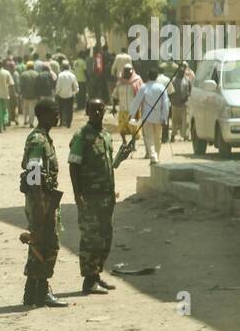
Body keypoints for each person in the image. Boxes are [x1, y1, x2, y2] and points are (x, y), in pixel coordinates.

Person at [69, 99, 134, 295]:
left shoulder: (105, 136)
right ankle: (88, 281)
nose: (97, 112)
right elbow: (73, 165)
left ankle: (96, 275)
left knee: (105, 237)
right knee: (91, 238)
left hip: (106, 196)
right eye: (93, 109)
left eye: (100, 109)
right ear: (87, 111)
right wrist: (77, 194)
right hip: (90, 196)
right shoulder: (82, 136)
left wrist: (121, 157)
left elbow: (109, 166)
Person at [20, 97, 66, 308]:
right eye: (53, 112)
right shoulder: (38, 140)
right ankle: (42, 290)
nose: (57, 115)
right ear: (42, 115)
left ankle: (32, 293)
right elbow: (34, 172)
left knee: (39, 243)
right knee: (48, 244)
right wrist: (41, 205)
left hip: (42, 198)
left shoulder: (43, 137)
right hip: (41, 199)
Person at [130, 74, 170, 163]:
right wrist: (165, 117)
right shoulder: (161, 87)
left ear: (148, 77)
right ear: (156, 77)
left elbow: (137, 101)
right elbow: (166, 103)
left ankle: (153, 156)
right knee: (157, 138)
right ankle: (156, 156)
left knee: (149, 138)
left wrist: (132, 114)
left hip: (147, 117)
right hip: (159, 118)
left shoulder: (144, 87)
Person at [112, 61, 142, 144]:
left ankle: (133, 144)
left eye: (129, 70)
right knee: (122, 128)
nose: (127, 72)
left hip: (133, 110)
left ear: (132, 71)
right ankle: (124, 141)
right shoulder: (120, 83)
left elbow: (140, 95)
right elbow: (115, 96)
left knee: (133, 128)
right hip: (122, 109)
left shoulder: (136, 81)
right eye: (125, 70)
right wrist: (114, 107)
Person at [168, 64, 192, 142]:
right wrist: (172, 100)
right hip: (175, 103)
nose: (181, 72)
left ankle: (185, 136)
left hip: (184, 103)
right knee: (174, 120)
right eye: (180, 71)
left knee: (186, 121)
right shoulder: (173, 80)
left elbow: (190, 90)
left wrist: (186, 98)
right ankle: (173, 135)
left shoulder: (187, 80)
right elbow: (170, 92)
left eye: (182, 71)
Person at [55, 61, 79, 128]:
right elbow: (76, 87)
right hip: (69, 95)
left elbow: (58, 86)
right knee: (69, 110)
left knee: (61, 109)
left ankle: (61, 122)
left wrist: (56, 93)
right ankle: (69, 123)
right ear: (69, 67)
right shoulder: (72, 75)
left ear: (62, 67)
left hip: (61, 95)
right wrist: (74, 93)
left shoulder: (60, 75)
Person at [17, 60, 40, 128]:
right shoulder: (36, 74)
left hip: (25, 94)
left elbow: (21, 85)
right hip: (34, 94)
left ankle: (25, 120)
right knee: (31, 108)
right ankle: (31, 122)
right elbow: (38, 86)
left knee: (25, 108)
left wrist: (20, 93)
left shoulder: (23, 74)